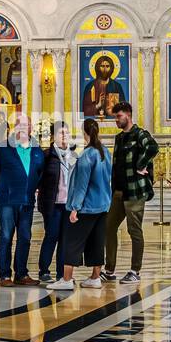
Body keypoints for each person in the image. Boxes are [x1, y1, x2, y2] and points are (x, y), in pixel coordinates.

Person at [49, 118, 112, 293]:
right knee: (97, 242)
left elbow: (81, 184)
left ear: (84, 133)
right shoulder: (105, 152)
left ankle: (67, 279)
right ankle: (95, 277)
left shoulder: (86, 155)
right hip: (103, 205)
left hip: (87, 207)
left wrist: (75, 207)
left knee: (73, 241)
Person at [0, 113, 45, 287]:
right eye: (20, 124)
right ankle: (5, 275)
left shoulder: (36, 149)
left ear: (31, 128)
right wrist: (2, 190)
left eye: (26, 125)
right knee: (6, 236)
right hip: (7, 201)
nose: (23, 128)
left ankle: (21, 273)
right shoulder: (3, 147)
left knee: (25, 237)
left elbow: (40, 172)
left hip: (27, 201)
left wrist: (33, 186)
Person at [104, 101, 159, 284]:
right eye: (115, 117)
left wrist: (140, 164)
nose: (116, 120)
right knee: (109, 227)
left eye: (118, 116)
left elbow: (152, 147)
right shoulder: (119, 138)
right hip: (119, 191)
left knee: (134, 230)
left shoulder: (140, 134)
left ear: (128, 114)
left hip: (134, 191)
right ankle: (109, 269)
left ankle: (135, 270)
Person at [36, 122, 76, 284]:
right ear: (53, 136)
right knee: (51, 236)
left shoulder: (73, 156)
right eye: (61, 133)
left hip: (68, 204)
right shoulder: (47, 156)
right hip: (52, 203)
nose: (65, 135)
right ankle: (44, 270)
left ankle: (61, 273)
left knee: (65, 239)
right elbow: (39, 178)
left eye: (67, 132)